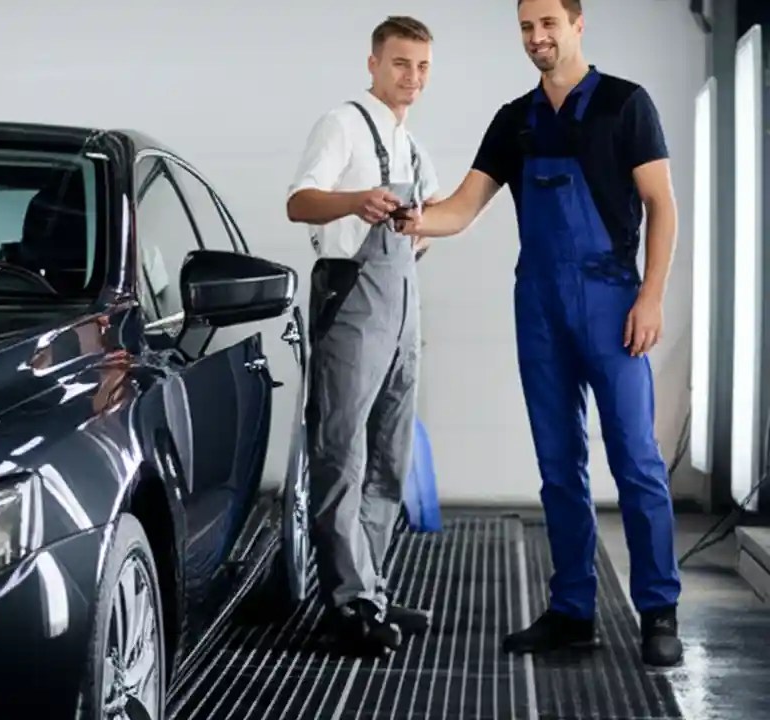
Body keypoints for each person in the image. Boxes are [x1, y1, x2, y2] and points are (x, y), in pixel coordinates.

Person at [395, 0, 683, 667]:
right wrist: (407, 217)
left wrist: (651, 296)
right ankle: (572, 610)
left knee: (636, 460)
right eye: (527, 26)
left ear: (577, 25)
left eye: (549, 23)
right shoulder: (514, 121)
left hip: (613, 302)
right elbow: (462, 208)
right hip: (540, 306)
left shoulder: (625, 104)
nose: (537, 37)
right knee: (557, 466)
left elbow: (661, 204)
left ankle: (658, 610)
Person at [285, 15, 440, 656]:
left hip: (402, 304)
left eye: (423, 66)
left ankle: (370, 588)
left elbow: (427, 223)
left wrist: (420, 228)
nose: (412, 77)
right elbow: (299, 201)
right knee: (342, 453)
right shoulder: (342, 123)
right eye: (401, 63)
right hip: (352, 299)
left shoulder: (412, 145)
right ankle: (346, 603)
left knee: (389, 456)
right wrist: (355, 202)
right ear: (373, 64)